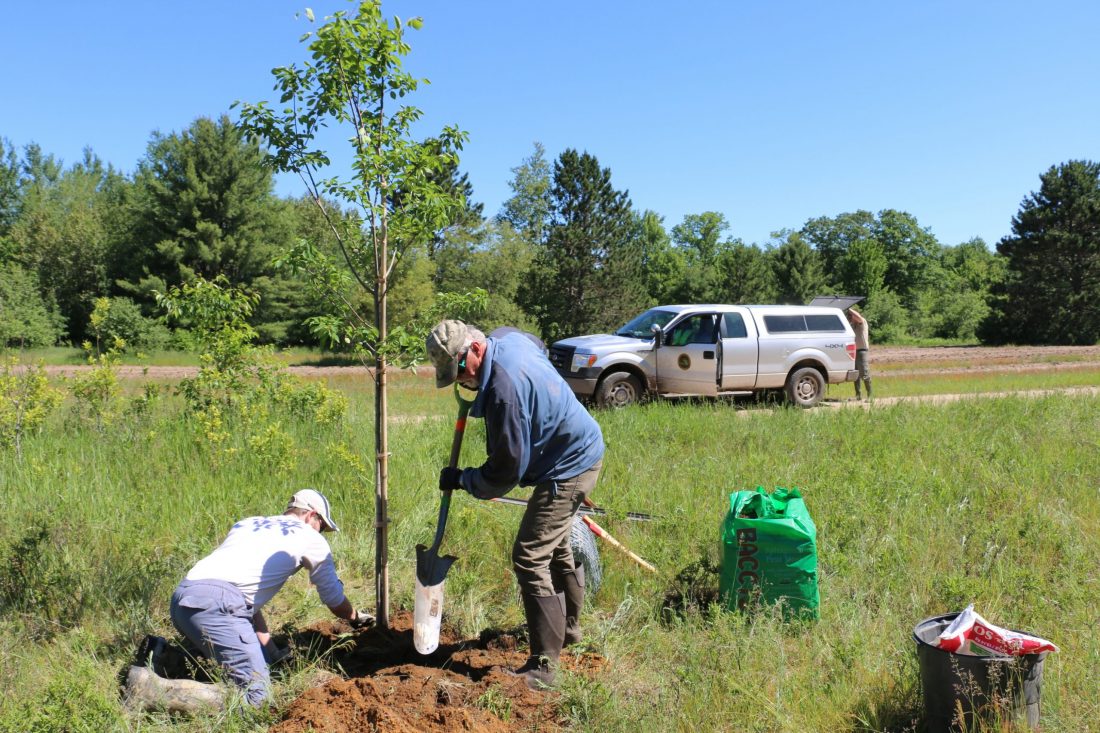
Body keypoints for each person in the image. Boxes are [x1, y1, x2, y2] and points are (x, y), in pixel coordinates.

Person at [426, 320, 605, 689]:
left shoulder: (502, 393)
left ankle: (544, 667)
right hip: (576, 448)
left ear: (475, 350)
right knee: (553, 546)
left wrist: (464, 479)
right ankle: (568, 630)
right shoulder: (505, 337)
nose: (460, 380)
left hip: (568, 465)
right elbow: (536, 342)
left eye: (459, 369)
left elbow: (506, 471)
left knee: (529, 555)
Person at [132, 489, 371, 710]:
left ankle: (162, 656)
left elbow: (247, 604)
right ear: (311, 515)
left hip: (185, 599)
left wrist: (271, 650)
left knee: (247, 659)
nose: (321, 532)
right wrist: (356, 617)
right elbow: (333, 598)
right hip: (218, 608)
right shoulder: (310, 537)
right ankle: (151, 691)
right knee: (257, 697)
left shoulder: (250, 525)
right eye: (322, 526)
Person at [846, 307, 872, 400]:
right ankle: (858, 396)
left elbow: (858, 317)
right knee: (856, 375)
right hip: (854, 351)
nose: (849, 317)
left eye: (850, 315)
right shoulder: (852, 325)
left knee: (864, 373)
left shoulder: (862, 322)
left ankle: (870, 396)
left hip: (862, 351)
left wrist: (849, 308)